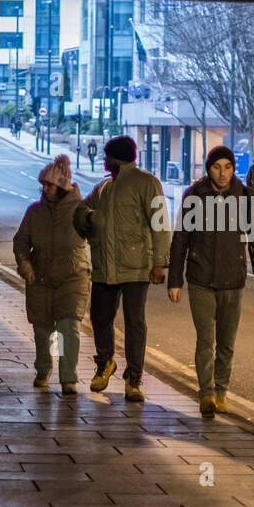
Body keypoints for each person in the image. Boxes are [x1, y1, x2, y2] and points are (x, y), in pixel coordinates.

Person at [168, 145, 254, 418]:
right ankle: (206, 393)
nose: (223, 173)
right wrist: (174, 280)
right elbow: (181, 240)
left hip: (233, 280)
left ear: (233, 168)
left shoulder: (246, 197)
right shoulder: (195, 196)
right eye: (217, 167)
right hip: (201, 278)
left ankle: (221, 390)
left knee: (226, 342)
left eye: (227, 167)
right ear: (208, 168)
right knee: (206, 341)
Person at [73, 135, 170, 403]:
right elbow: (80, 213)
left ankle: (134, 379)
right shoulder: (103, 187)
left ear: (118, 158)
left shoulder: (147, 183)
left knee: (134, 323)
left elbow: (160, 223)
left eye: (107, 156)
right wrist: (89, 216)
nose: (104, 160)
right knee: (99, 317)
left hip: (137, 267)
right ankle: (105, 363)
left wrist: (160, 262)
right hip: (105, 266)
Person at [13, 154, 89, 395]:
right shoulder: (34, 212)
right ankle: (43, 369)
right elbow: (21, 242)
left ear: (62, 186)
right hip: (41, 278)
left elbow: (97, 233)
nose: (45, 189)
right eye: (43, 184)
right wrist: (25, 266)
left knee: (69, 328)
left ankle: (68, 377)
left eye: (50, 185)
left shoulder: (79, 209)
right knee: (42, 329)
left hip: (73, 277)